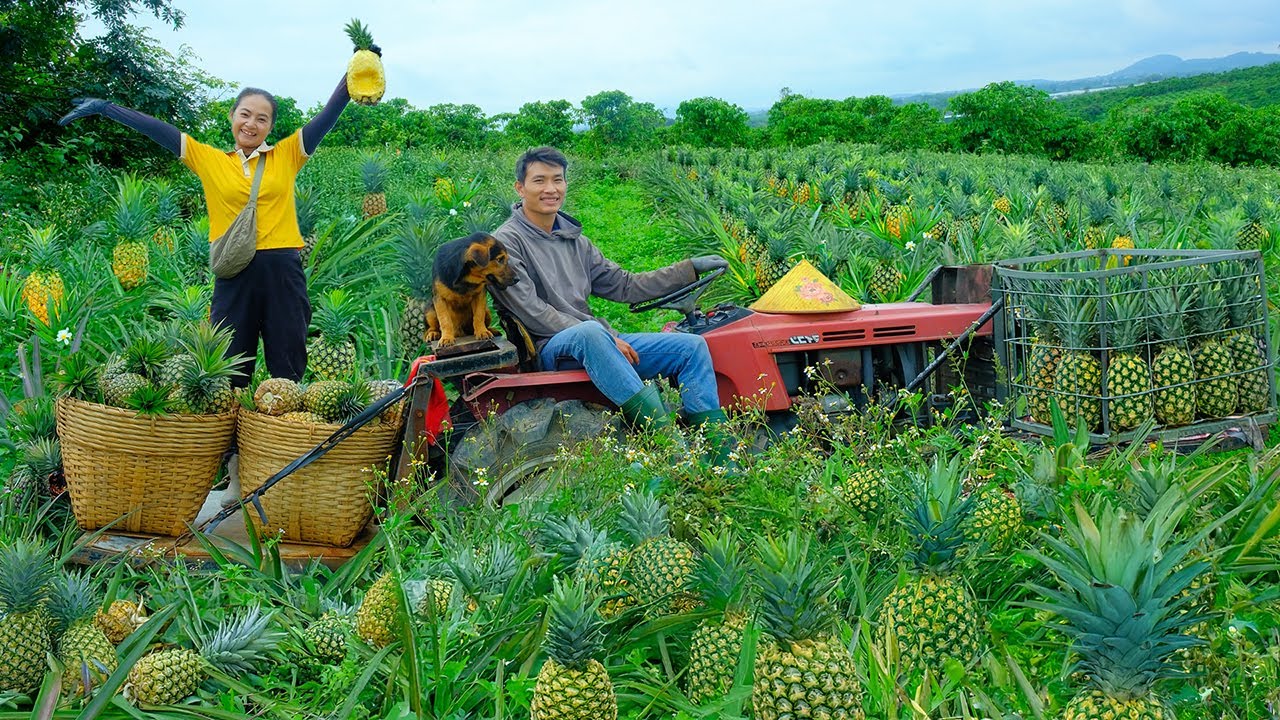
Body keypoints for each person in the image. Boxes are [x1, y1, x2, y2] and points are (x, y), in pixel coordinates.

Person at [58, 61, 366, 386]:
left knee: (288, 362)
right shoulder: (210, 160)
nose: (251, 123)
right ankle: (231, 435)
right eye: (245, 114)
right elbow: (160, 131)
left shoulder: (286, 155)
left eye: (262, 118)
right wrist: (106, 109)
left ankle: (282, 433)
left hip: (282, 271)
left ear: (270, 126)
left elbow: (327, 116)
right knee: (228, 364)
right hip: (234, 273)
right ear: (233, 116)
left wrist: (357, 69)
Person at [489, 146, 736, 467]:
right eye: (539, 181)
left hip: (593, 340)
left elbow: (625, 285)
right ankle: (671, 448)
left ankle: (719, 459)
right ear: (520, 188)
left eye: (558, 180)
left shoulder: (574, 239)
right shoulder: (506, 242)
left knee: (692, 347)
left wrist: (687, 269)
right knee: (592, 332)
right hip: (550, 346)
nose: (550, 189)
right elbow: (532, 311)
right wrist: (604, 337)